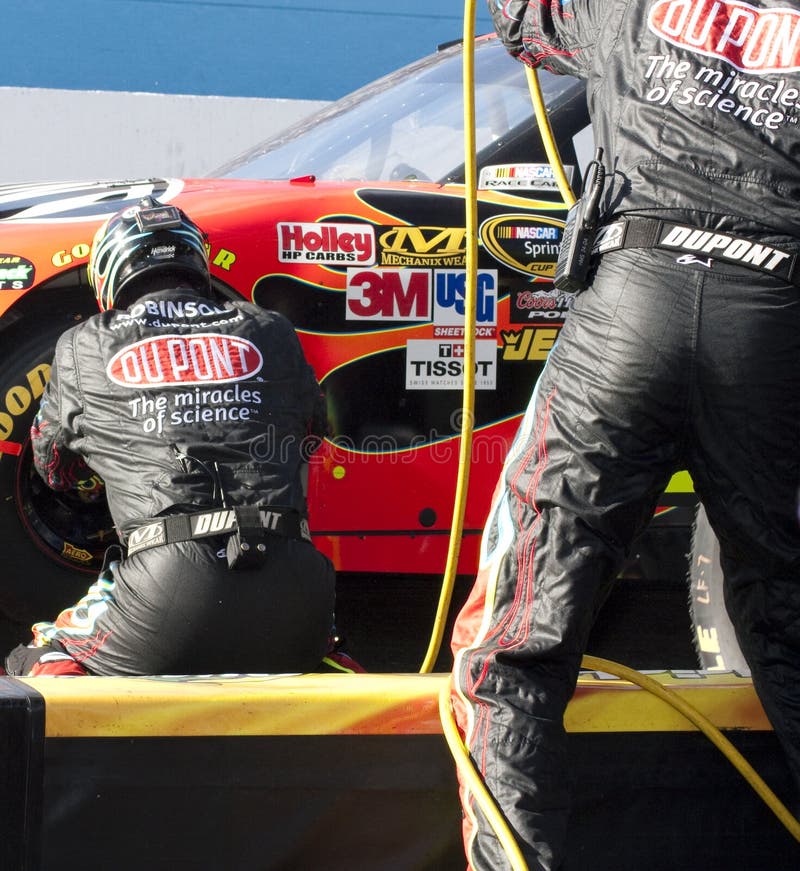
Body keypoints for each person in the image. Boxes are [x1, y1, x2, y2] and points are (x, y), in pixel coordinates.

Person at [450, 2, 800, 868]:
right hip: (774, 321)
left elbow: (521, 20)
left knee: (517, 642)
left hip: (632, 307)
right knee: (790, 626)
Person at [5, 196, 349, 677]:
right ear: (196, 261)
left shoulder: (84, 343)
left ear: (109, 273)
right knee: (325, 661)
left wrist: (109, 465)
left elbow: (54, 470)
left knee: (37, 658)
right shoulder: (272, 329)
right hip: (297, 589)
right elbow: (315, 433)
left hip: (168, 591)